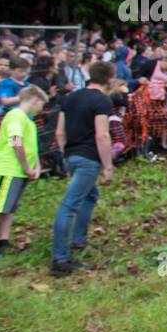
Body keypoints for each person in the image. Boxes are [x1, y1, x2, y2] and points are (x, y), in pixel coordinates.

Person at [51, 61, 115, 277]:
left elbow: (60, 132)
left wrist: (66, 155)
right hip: (89, 158)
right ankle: (60, 258)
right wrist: (108, 166)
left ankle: (79, 240)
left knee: (90, 196)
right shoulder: (102, 101)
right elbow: (102, 135)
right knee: (70, 204)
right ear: (109, 79)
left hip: (71, 154)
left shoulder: (71, 98)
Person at [0, 85, 47, 259]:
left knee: (9, 207)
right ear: (34, 100)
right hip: (6, 168)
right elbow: (16, 141)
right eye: (41, 105)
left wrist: (36, 166)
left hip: (20, 171)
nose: (41, 109)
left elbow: (32, 146)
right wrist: (26, 166)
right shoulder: (15, 116)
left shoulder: (28, 120)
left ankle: (3, 240)